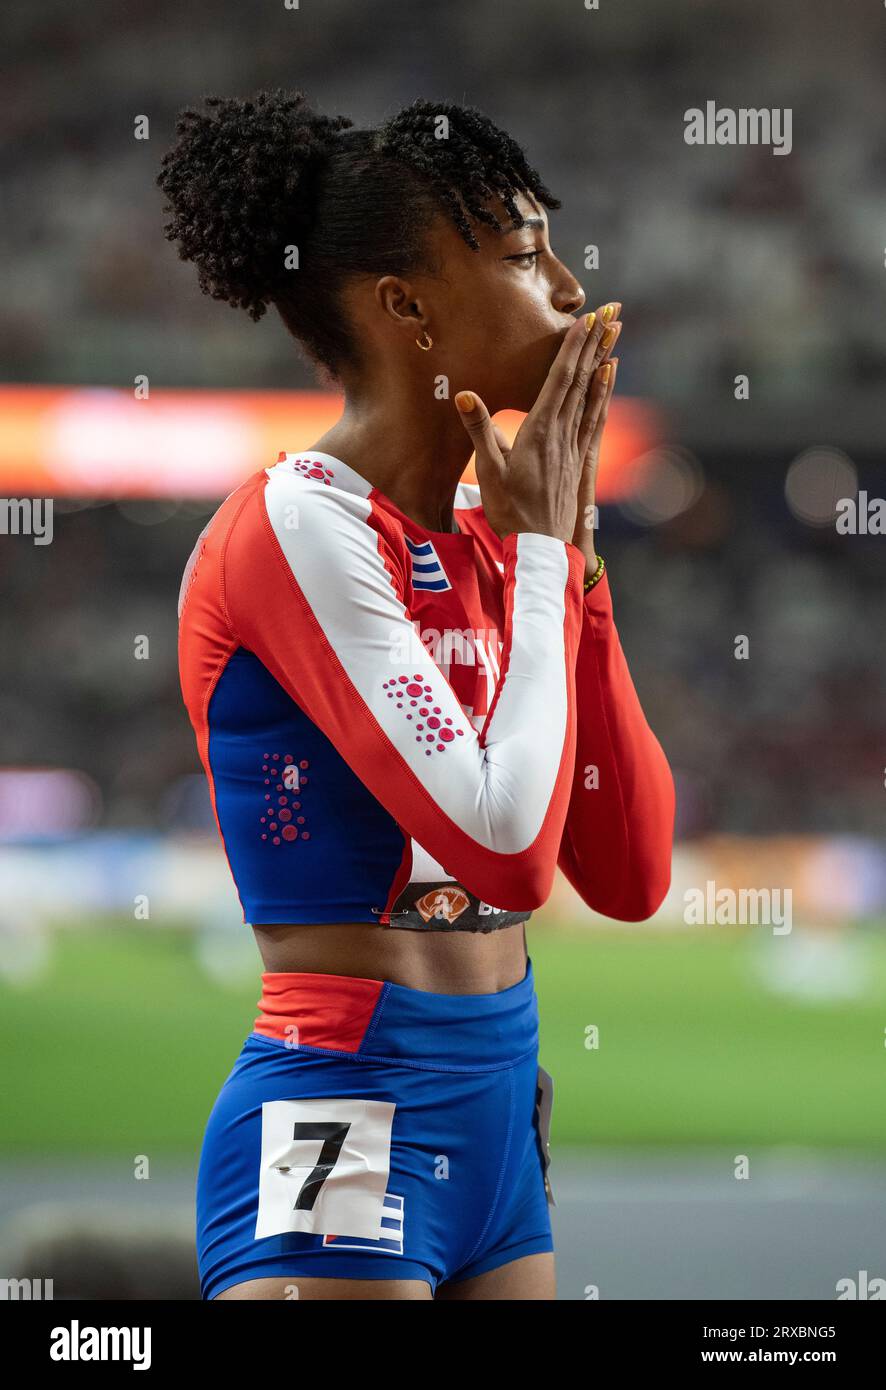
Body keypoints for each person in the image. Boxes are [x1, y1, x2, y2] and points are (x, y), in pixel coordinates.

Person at [161, 90, 675, 1301]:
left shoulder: (499, 538)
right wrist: (543, 560)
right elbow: (502, 852)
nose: (565, 280)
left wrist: (574, 563)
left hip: (503, 1100)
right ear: (406, 308)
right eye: (518, 254)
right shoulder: (295, 523)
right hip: (342, 1091)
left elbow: (633, 872)